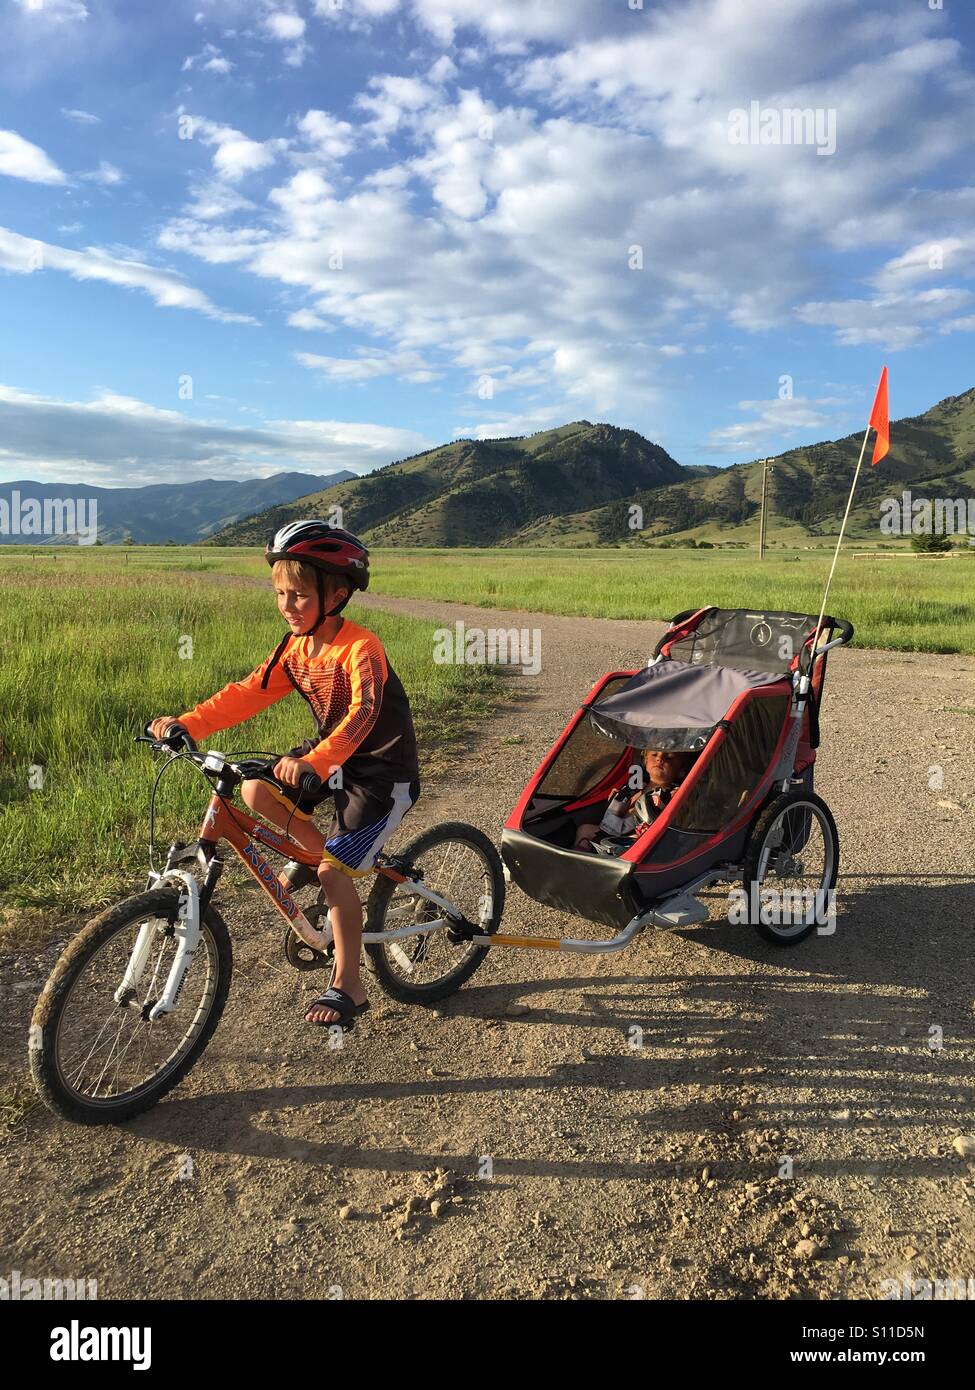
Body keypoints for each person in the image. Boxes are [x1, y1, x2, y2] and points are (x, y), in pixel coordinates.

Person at [149, 521, 420, 1031]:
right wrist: (187, 722)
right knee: (254, 788)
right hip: (327, 759)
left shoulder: (361, 647)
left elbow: (363, 714)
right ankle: (319, 854)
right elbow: (248, 692)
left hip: (381, 771)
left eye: (298, 595)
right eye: (279, 593)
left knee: (333, 874)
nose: (286, 605)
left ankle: (349, 984)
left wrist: (315, 763)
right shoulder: (295, 648)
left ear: (337, 595)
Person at [573, 747, 698, 855]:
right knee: (585, 830)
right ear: (645, 760)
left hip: (637, 840)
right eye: (654, 755)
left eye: (669, 758)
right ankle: (578, 860)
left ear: (681, 770)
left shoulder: (674, 793)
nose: (660, 759)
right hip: (614, 831)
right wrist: (615, 801)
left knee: (634, 843)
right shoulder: (636, 785)